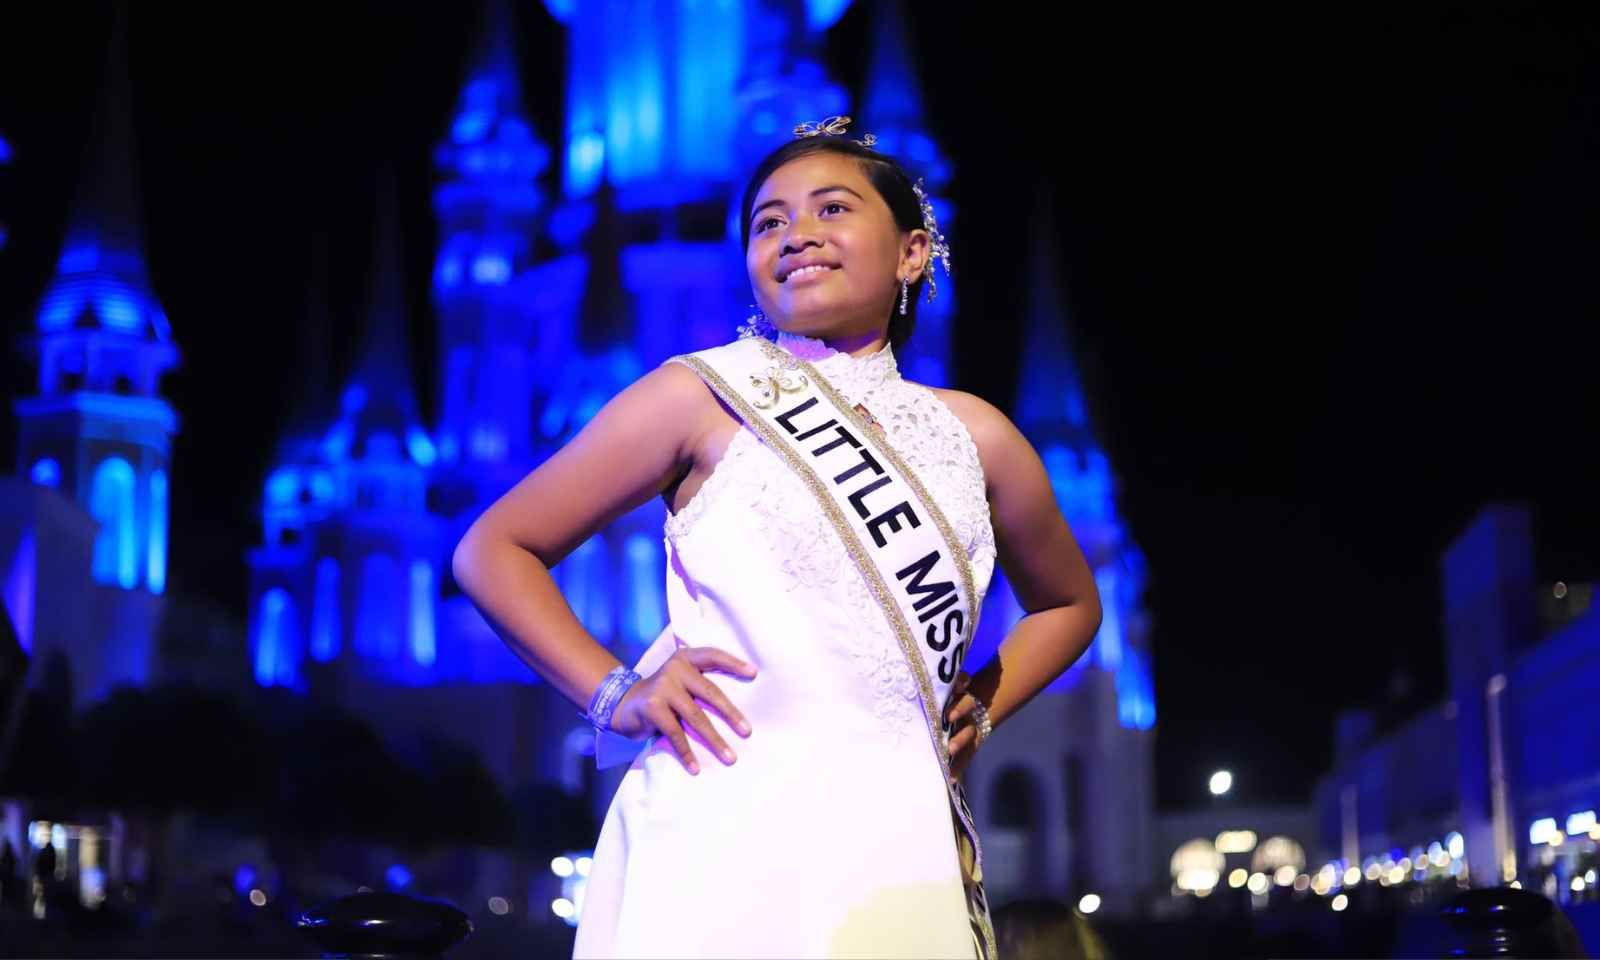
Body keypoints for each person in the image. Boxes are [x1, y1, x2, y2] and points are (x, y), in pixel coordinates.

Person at [452, 116, 1102, 959]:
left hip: (897, 842)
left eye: (832, 210)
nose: (796, 234)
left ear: (911, 254)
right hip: (718, 826)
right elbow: (491, 549)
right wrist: (618, 695)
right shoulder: (698, 396)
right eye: (769, 221)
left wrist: (981, 703)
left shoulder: (977, 435)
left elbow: (1071, 603)